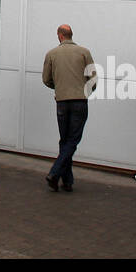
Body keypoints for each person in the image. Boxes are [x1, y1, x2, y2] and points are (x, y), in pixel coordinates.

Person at [42, 24, 97, 192]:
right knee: (72, 140)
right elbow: (93, 80)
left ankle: (67, 181)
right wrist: (84, 90)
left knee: (65, 140)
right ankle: (55, 174)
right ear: (71, 35)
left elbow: (46, 79)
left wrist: (59, 87)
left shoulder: (52, 54)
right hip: (80, 101)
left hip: (62, 102)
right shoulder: (84, 52)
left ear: (60, 36)